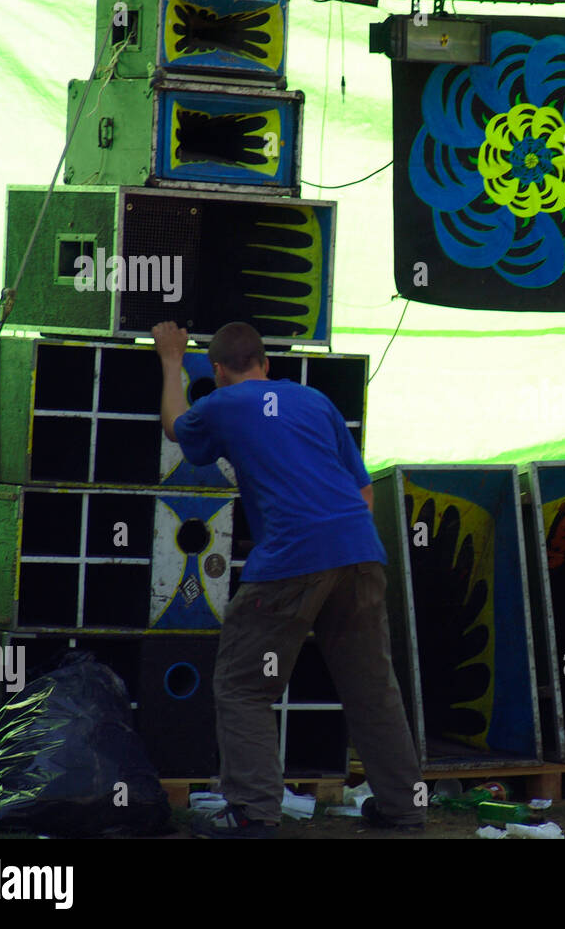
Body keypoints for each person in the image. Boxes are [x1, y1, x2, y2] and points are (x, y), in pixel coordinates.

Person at [152, 320, 424, 838]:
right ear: (266, 364)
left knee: (242, 685)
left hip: (293, 560)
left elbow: (175, 426)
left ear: (217, 370)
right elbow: (363, 494)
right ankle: (404, 811)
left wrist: (170, 360)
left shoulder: (221, 404)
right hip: (361, 553)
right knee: (373, 692)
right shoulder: (315, 401)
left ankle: (254, 812)